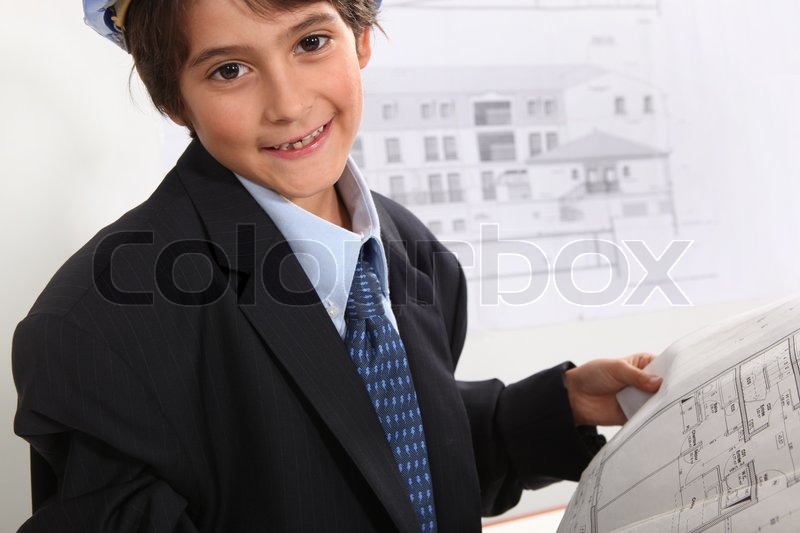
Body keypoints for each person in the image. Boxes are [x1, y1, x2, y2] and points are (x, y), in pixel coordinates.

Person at [12, 0, 662, 531]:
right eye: (229, 70)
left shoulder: (411, 250)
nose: (289, 105)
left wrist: (557, 407)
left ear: (361, 40)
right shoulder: (95, 330)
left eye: (311, 42)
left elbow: (380, 449)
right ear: (174, 101)